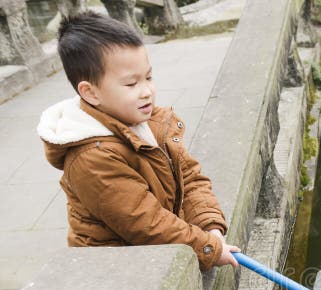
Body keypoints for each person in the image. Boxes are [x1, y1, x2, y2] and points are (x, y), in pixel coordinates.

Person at [37, 11, 239, 270]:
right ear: (90, 92)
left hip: (153, 247)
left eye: (149, 77)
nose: (147, 91)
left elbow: (188, 177)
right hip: (116, 269)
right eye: (131, 84)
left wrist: (210, 224)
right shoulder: (92, 157)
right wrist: (207, 247)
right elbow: (147, 223)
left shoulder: (148, 122)